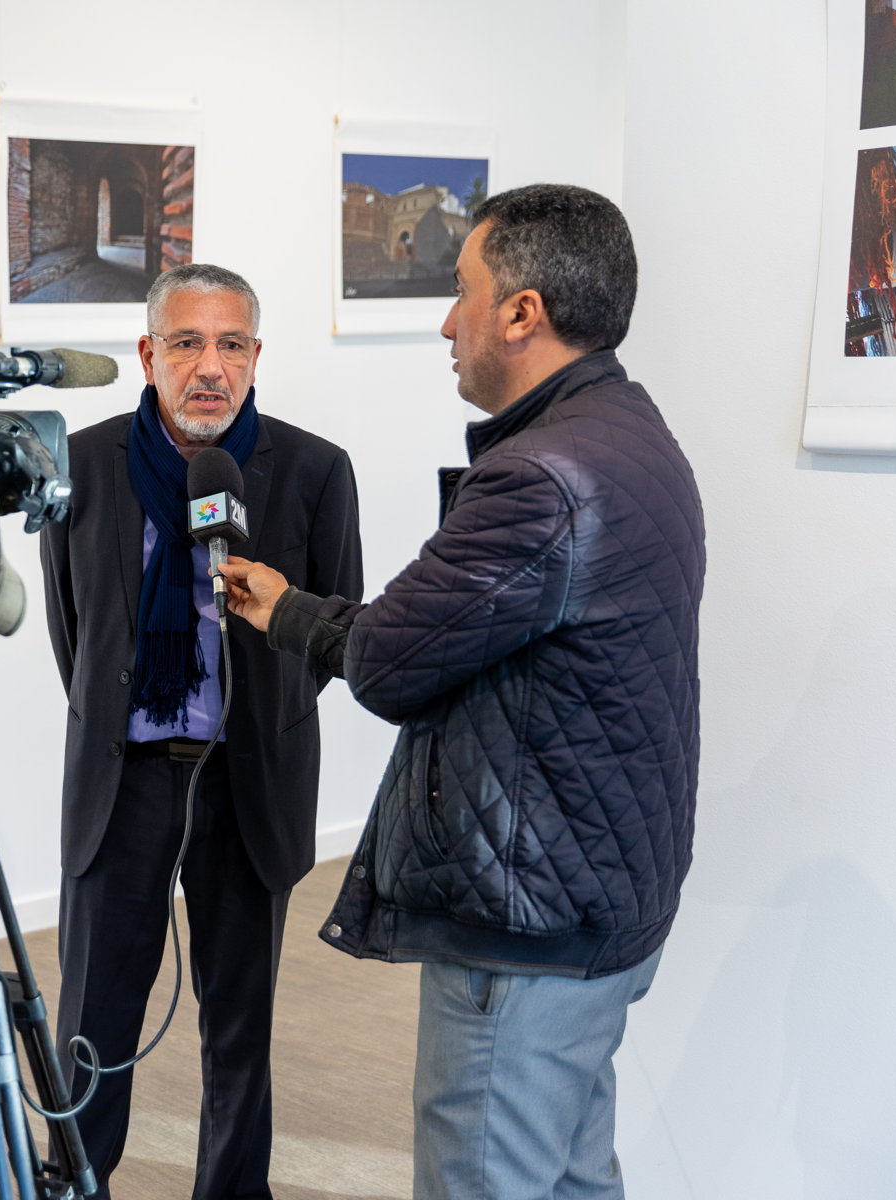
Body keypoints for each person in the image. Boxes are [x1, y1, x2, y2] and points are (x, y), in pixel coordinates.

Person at [219, 184, 704, 1200]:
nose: (446, 321)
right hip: (601, 897)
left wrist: (292, 615)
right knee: (570, 1174)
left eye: (462, 290)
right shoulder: (631, 430)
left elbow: (395, 662)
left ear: (522, 312)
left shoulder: (540, 477)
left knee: (488, 1177)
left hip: (527, 924)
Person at [40, 263, 363, 1198]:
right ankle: (77, 1185)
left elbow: (334, 635)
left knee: (238, 1032)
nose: (208, 366)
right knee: (92, 1027)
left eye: (229, 345)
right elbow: (75, 636)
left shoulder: (310, 471)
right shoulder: (84, 465)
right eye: (186, 343)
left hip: (247, 782)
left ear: (256, 359)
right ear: (148, 355)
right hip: (124, 781)